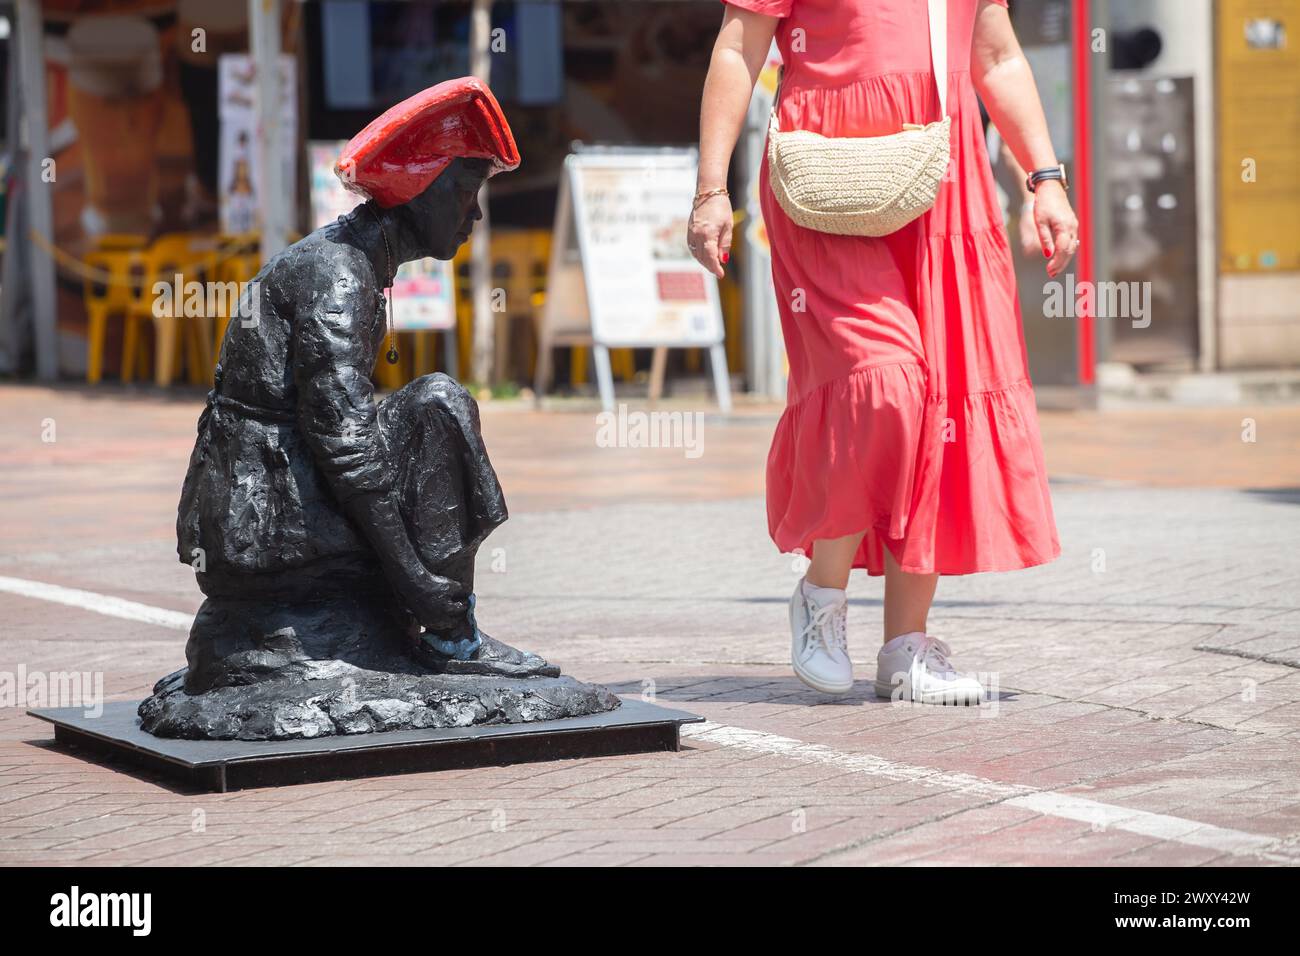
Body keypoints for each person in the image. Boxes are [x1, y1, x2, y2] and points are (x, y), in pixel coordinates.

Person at [689, 1, 1078, 702]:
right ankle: (821, 597)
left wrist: (1044, 179)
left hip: (943, 181)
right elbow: (737, 50)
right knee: (883, 382)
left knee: (942, 400)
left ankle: (907, 647)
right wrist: (711, 190)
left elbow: (997, 58)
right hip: (823, 181)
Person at [176, 78, 557, 680]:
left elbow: (340, 426)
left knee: (433, 405)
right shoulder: (340, 276)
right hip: (263, 515)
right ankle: (449, 632)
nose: (475, 213)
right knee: (439, 405)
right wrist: (415, 580)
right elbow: (342, 442)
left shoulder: (355, 257)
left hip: (272, 485)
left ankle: (447, 625)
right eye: (464, 191)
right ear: (420, 191)